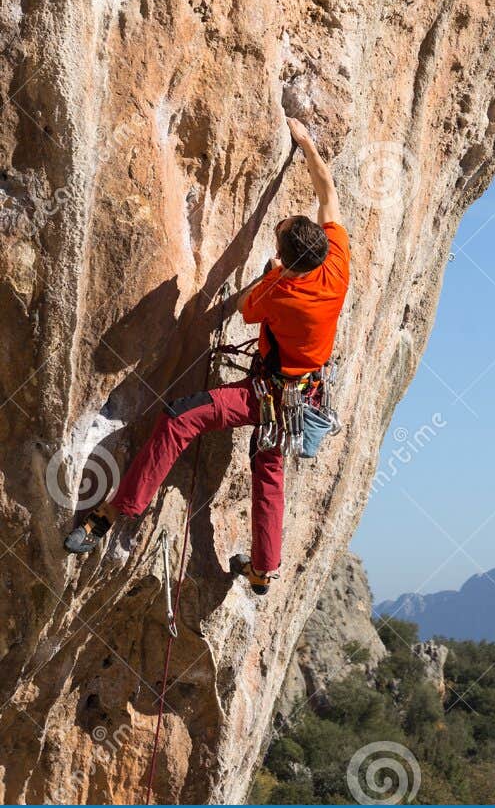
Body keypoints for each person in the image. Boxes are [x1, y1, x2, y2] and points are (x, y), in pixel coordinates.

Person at [63, 118, 350, 596]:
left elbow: (241, 309)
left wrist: (268, 276)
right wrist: (306, 145)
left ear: (289, 262)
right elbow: (329, 193)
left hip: (268, 395)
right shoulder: (336, 263)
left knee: (180, 419)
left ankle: (111, 513)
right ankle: (262, 570)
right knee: (269, 470)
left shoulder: (281, 292)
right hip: (305, 396)